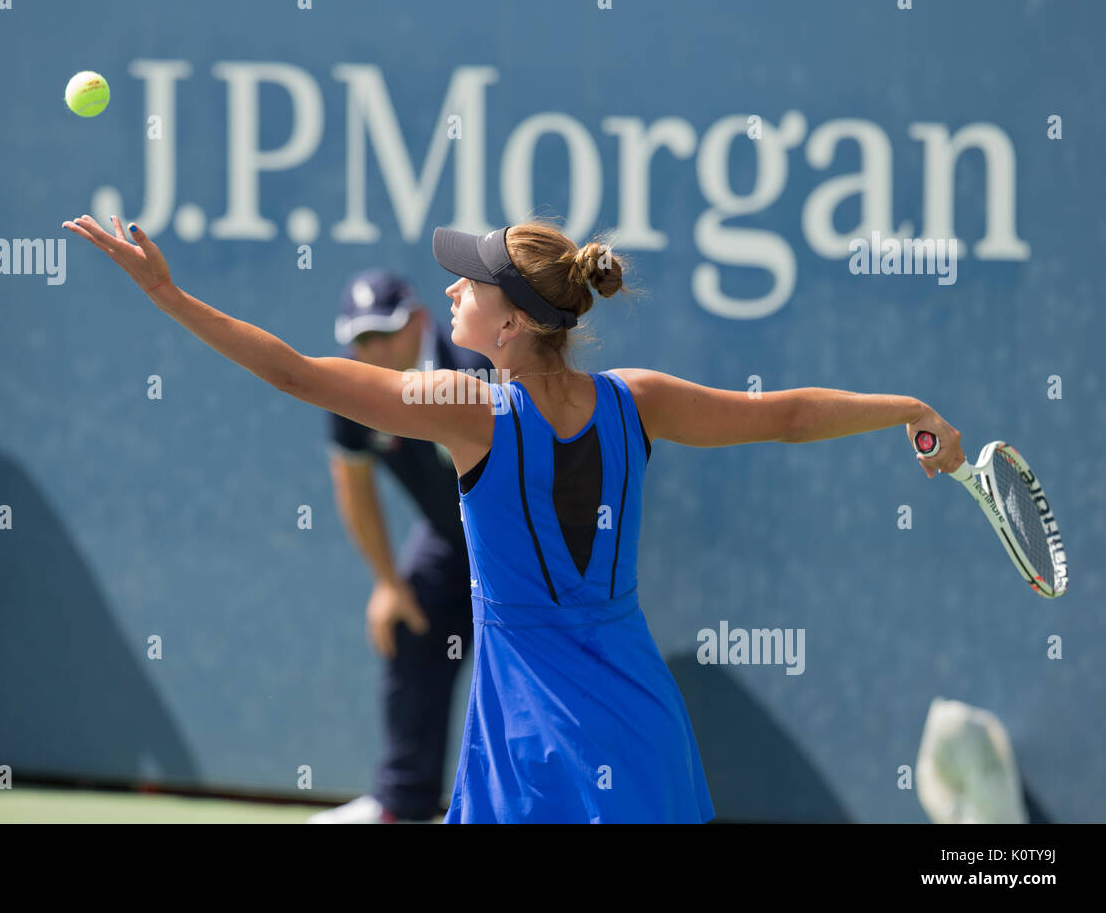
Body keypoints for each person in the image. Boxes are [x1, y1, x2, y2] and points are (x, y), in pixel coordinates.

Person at [62, 213, 964, 822]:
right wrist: (909, 407)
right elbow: (789, 416)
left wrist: (169, 299)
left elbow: (298, 375)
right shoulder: (635, 400)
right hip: (641, 722)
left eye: (467, 284)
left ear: (512, 322)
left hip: (531, 733)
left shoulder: (470, 410)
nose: (449, 291)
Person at [310, 270, 489, 823]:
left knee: (526, 666)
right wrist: (388, 582)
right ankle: (403, 805)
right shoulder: (354, 389)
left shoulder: (475, 370)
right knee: (411, 625)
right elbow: (354, 485)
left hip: (520, 547)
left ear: (417, 320)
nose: (373, 350)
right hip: (447, 538)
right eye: (361, 340)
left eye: (384, 334)